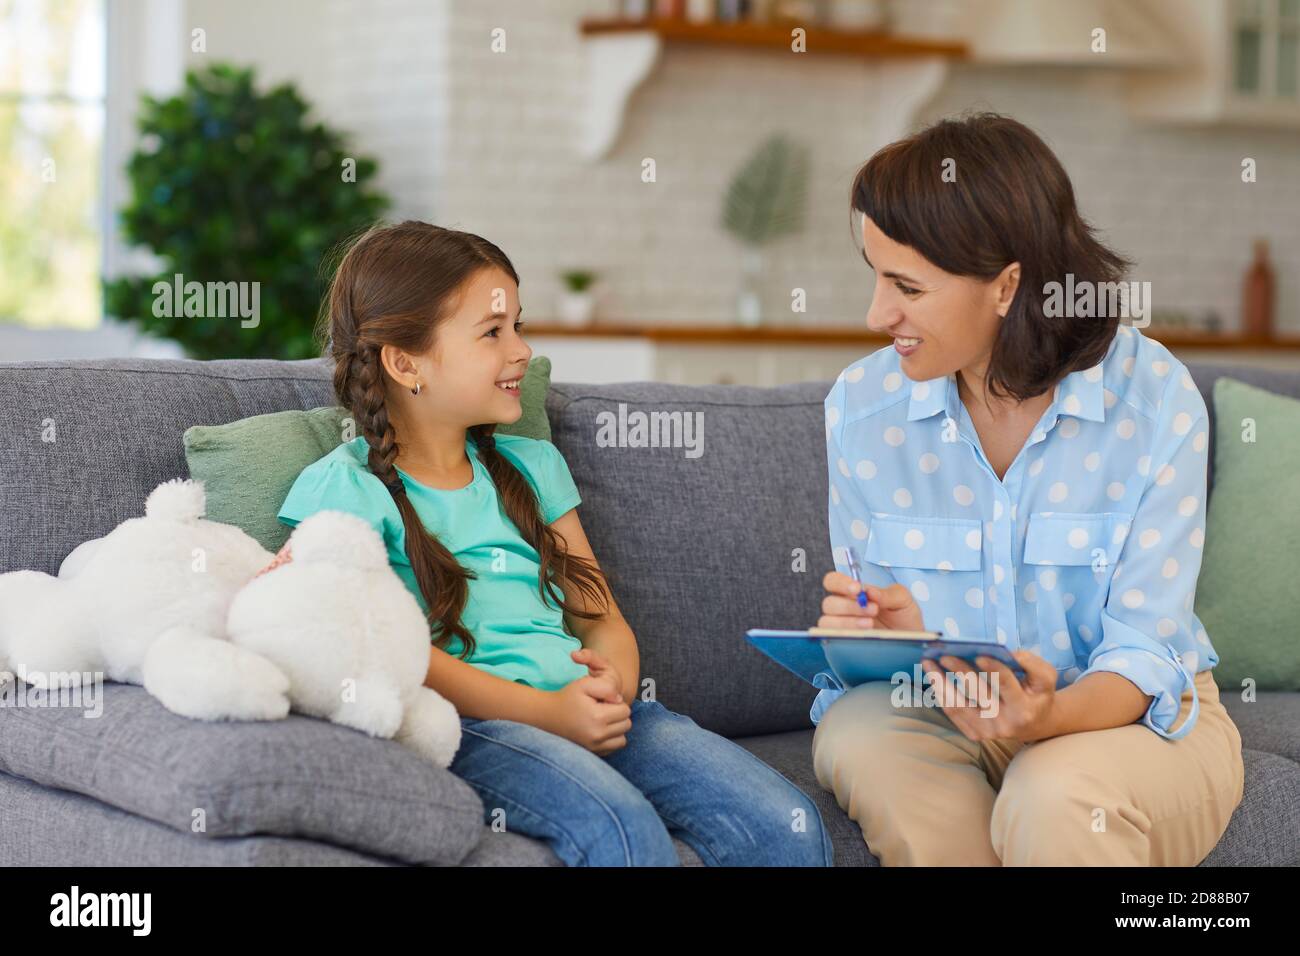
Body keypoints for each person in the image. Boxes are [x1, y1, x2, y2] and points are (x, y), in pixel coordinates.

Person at [278, 220, 832, 867]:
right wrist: (549, 713)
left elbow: (603, 620)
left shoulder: (533, 467)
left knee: (785, 825)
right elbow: (392, 654)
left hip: (591, 712)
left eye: (518, 324)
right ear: (406, 363)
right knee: (622, 835)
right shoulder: (342, 491)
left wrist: (614, 687)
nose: (522, 351)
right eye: (493, 332)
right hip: (479, 731)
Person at [812, 113, 1244, 866]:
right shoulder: (861, 409)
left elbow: (1144, 652)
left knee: (1052, 792)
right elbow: (870, 664)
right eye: (874, 276)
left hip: (1128, 725)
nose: (878, 315)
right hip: (949, 717)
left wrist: (1043, 717)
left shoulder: (1152, 401)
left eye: (906, 286)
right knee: (856, 732)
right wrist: (888, 639)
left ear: (1007, 285)